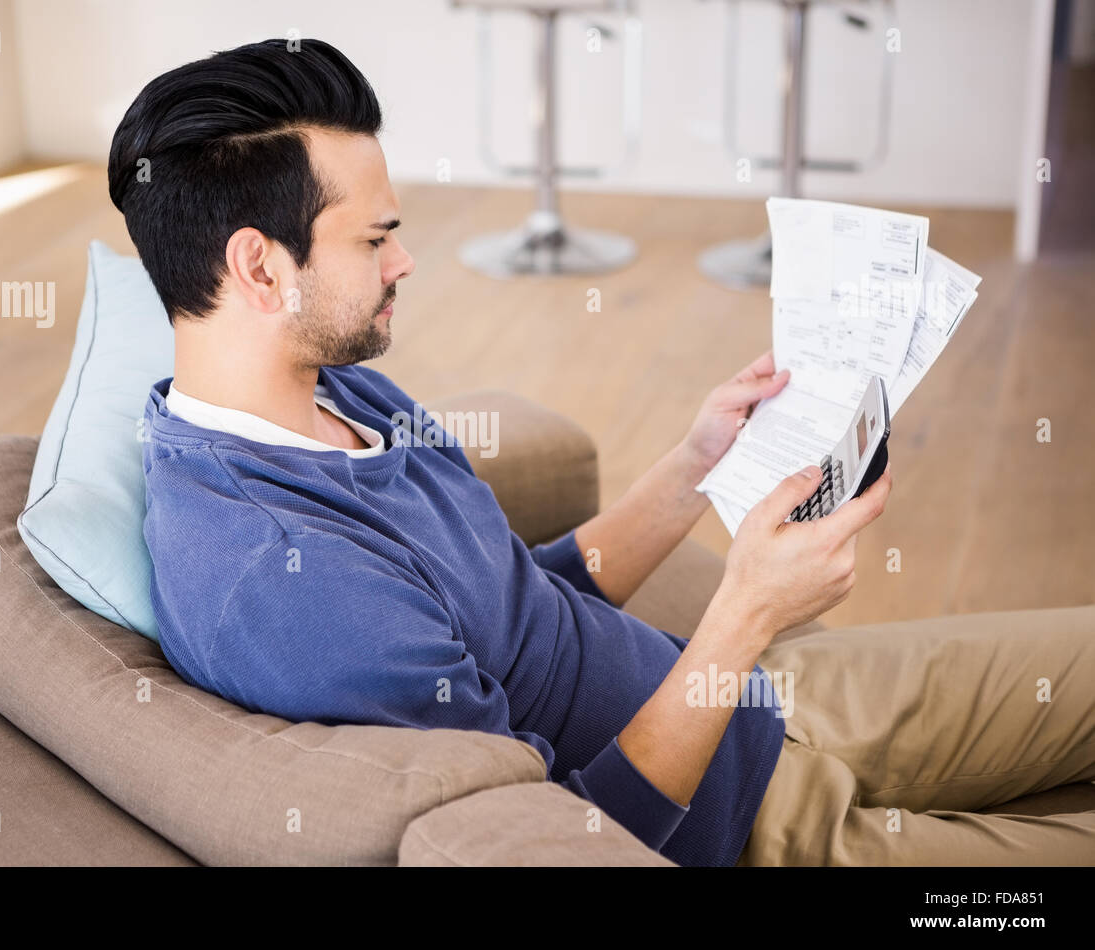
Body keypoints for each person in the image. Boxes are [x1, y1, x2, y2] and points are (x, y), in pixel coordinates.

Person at [108, 38, 1095, 866]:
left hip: (759, 700)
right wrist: (745, 612)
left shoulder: (333, 386)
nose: (404, 260)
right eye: (374, 240)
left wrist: (694, 463)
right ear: (258, 266)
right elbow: (569, 832)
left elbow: (506, 601)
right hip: (749, 829)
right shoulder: (285, 581)